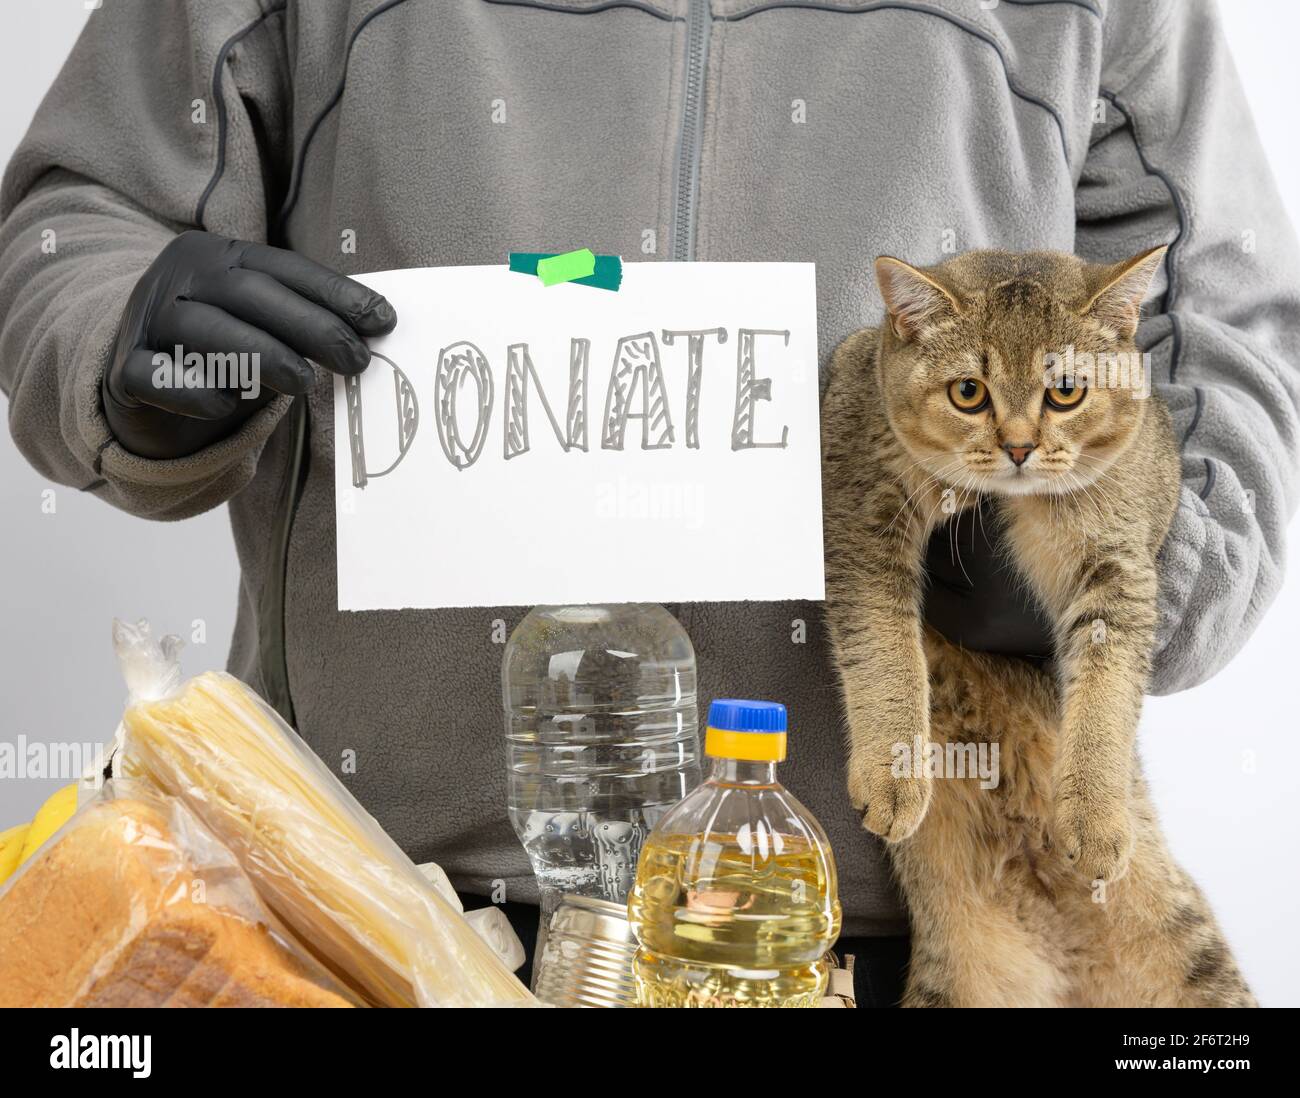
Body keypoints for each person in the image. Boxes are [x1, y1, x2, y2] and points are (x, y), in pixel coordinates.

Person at [2, 0, 1297, 1006]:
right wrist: (125, 337)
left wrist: (1102, 571)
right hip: (361, 928)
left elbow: (1225, 335)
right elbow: (73, 223)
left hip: (905, 939)